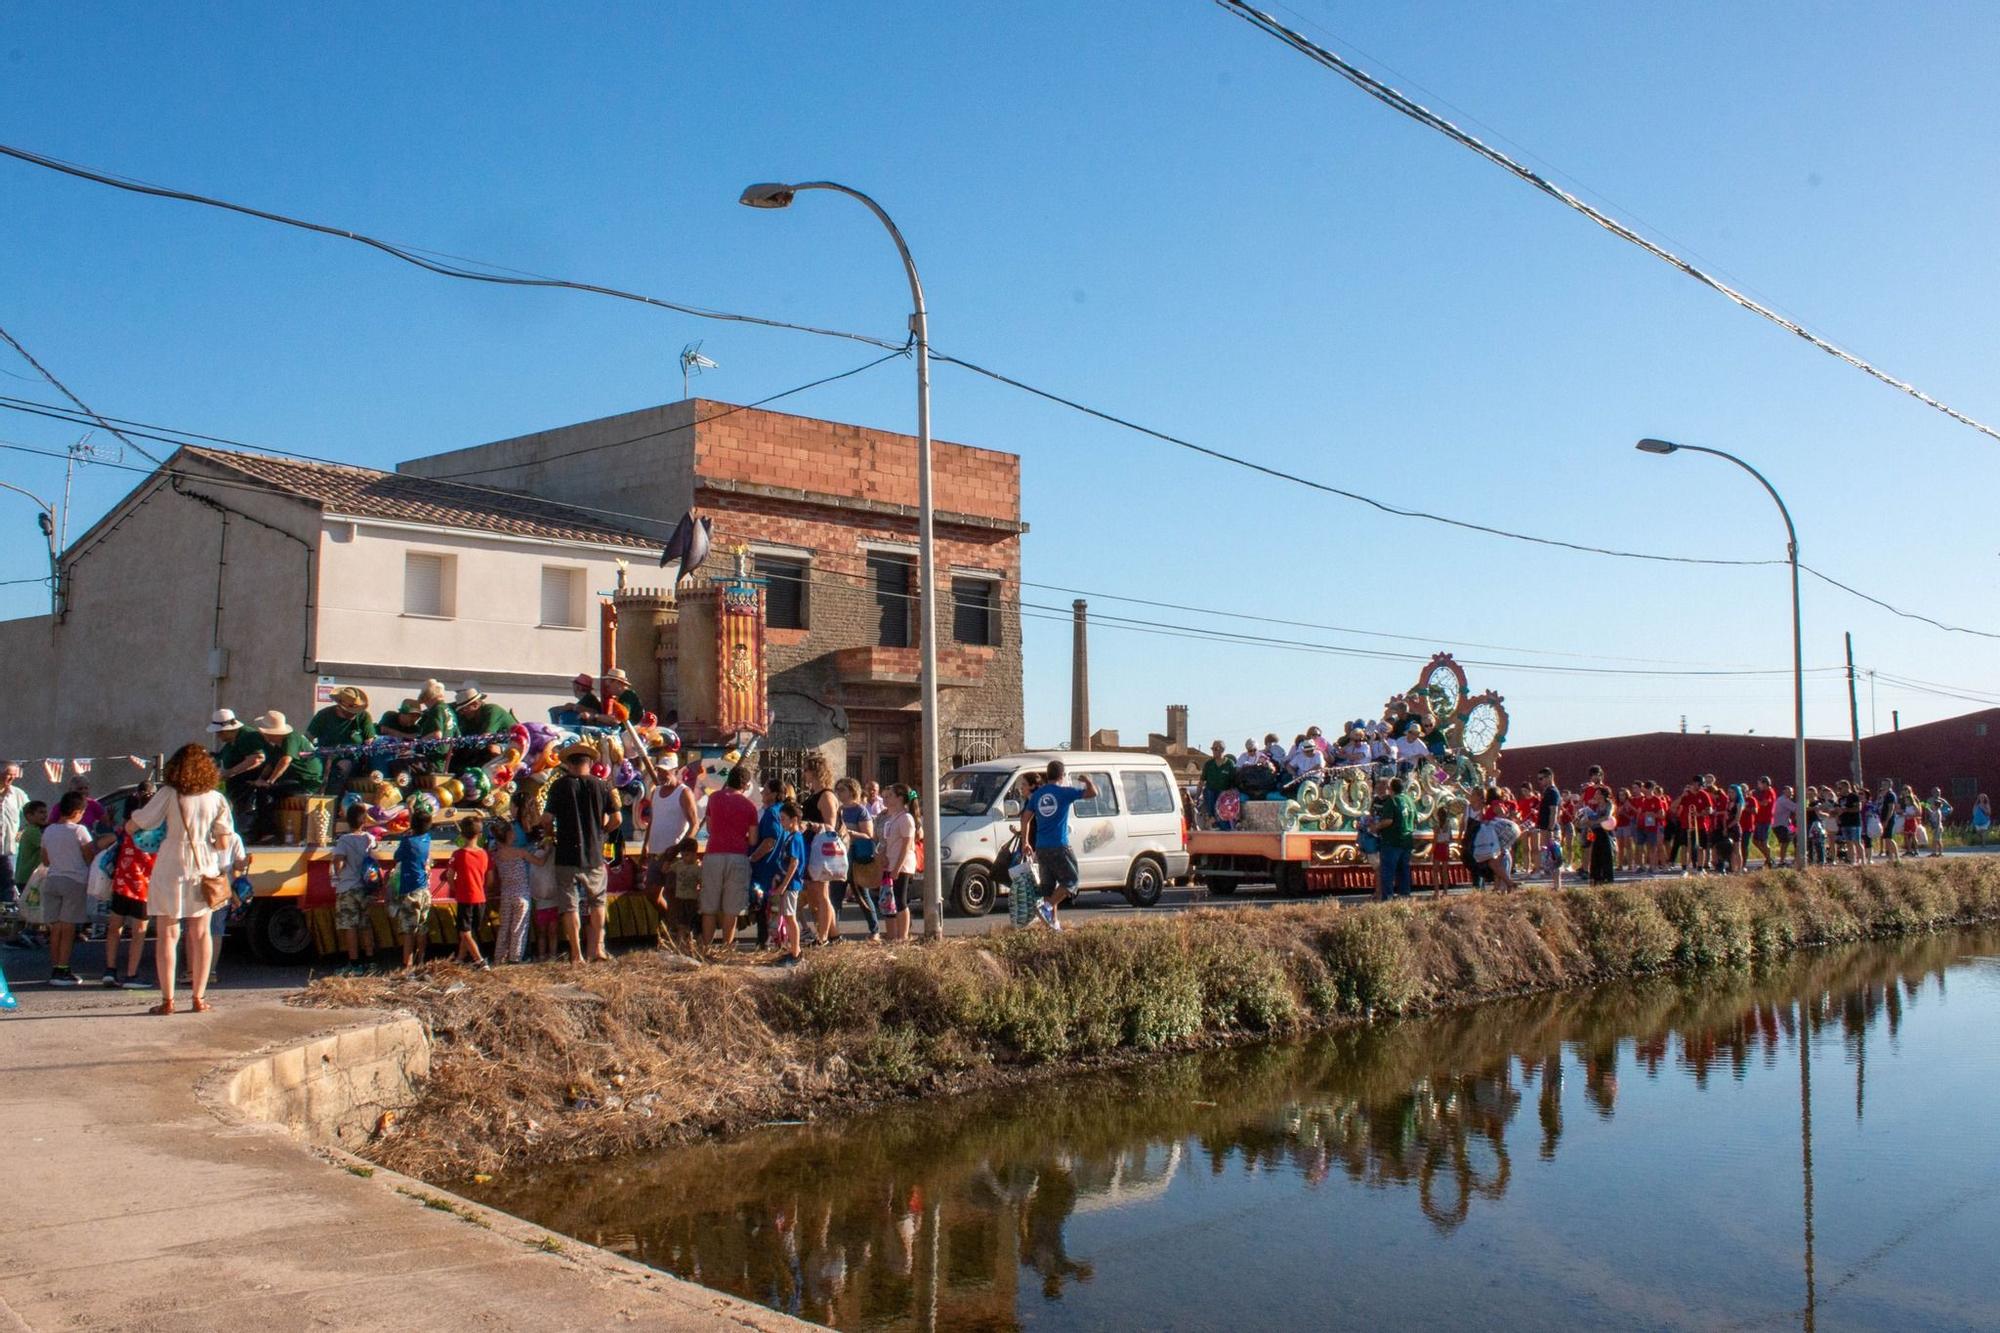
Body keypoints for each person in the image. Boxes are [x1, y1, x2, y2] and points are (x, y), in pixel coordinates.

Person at [125, 744, 235, 1013]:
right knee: (201, 933)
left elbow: (138, 823)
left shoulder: (169, 793)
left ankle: (168, 1000)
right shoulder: (216, 798)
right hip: (204, 864)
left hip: (171, 862)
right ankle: (199, 998)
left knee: (168, 934)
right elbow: (224, 842)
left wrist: (133, 826)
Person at [542, 740, 619, 964]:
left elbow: (546, 819)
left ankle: (576, 954)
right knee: (597, 902)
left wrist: (551, 835)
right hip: (594, 854)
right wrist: (602, 832)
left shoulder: (559, 786)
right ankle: (597, 949)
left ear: (569, 764)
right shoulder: (602, 786)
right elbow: (617, 819)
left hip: (566, 854)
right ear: (590, 763)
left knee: (570, 906)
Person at [39, 792, 107, 986]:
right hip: (74, 880)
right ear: (77, 812)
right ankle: (63, 968)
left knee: (55, 927)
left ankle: (55, 968)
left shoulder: (49, 830)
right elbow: (89, 856)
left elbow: (45, 860)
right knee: (68, 928)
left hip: (52, 879)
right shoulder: (79, 830)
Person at [638, 758, 701, 952]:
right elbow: (653, 820)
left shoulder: (683, 792)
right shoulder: (656, 792)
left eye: (665, 771)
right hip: (656, 852)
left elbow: (694, 824)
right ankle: (672, 924)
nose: (661, 774)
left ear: (675, 771)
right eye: (659, 771)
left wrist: (680, 848)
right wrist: (645, 845)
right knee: (651, 892)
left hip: (674, 855)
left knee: (674, 896)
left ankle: (679, 933)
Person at [103, 783, 161, 987]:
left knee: (114, 927)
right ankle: (131, 974)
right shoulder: (157, 832)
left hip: (121, 881)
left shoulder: (127, 828)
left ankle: (110, 970)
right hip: (143, 886)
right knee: (139, 932)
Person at [1027, 761, 1097, 930]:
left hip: (1041, 848)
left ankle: (1053, 925)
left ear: (1048, 775)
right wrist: (1088, 781)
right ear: (1062, 775)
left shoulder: (1038, 794)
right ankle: (1047, 907)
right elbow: (1093, 793)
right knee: (1072, 880)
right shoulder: (1065, 792)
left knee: (1048, 889)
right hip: (1059, 846)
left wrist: (1025, 842)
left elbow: (1025, 818)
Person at [699, 766, 758, 954]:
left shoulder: (714, 798)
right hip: (738, 855)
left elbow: (709, 828)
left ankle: (706, 948)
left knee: (709, 906)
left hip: (714, 853)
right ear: (745, 785)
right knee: (731, 908)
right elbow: (753, 839)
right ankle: (726, 948)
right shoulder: (749, 806)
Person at [244, 710, 322, 843]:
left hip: (305, 782)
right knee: (258, 788)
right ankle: (258, 829)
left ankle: (269, 832)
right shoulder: (278, 745)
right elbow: (271, 764)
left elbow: (286, 760)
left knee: (266, 791)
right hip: (293, 779)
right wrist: (260, 779)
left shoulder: (290, 738)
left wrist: (270, 781)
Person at [330, 803, 381, 974]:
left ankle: (354, 963)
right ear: (364, 821)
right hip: (365, 888)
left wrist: (339, 873)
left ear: (347, 820)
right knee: (365, 925)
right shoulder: (368, 838)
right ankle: (371, 961)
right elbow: (374, 850)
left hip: (348, 888)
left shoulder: (344, 840)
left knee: (350, 926)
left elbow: (338, 860)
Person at [798, 753, 841, 948]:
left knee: (822, 894)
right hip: (811, 848)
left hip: (821, 850)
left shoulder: (826, 796)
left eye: (806, 770)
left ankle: (823, 937)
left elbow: (830, 826)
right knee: (815, 894)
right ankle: (833, 935)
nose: (804, 773)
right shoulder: (814, 795)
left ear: (815, 772)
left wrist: (809, 825)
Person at [831, 777, 880, 941]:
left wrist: (850, 833)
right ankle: (834, 932)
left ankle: (874, 930)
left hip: (855, 857)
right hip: (839, 856)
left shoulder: (861, 811)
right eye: (837, 790)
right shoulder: (838, 810)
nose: (838, 793)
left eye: (842, 790)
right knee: (835, 896)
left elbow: (869, 835)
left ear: (852, 791)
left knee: (861, 894)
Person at [305, 687, 377, 792]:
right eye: (350, 711)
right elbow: (308, 738)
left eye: (356, 710)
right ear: (340, 706)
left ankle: (333, 798)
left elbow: (369, 741)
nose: (354, 713)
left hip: (352, 757)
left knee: (342, 768)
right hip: (324, 755)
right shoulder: (324, 715)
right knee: (314, 770)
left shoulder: (363, 716)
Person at [389, 807, 435, 970]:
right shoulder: (427, 838)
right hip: (424, 889)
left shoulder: (407, 842)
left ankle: (407, 964)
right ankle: (420, 960)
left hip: (410, 890)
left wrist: (406, 836)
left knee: (409, 929)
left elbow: (397, 857)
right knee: (421, 927)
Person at [749, 777, 790, 950]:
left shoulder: (772, 812)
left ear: (773, 794)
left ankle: (764, 942)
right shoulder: (782, 811)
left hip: (767, 867)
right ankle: (774, 941)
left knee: (764, 905)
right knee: (773, 907)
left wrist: (753, 858)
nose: (762, 794)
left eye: (765, 790)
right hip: (777, 866)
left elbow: (770, 841)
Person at [766, 801, 808, 966]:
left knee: (790, 917)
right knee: (787, 916)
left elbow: (794, 863)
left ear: (794, 819)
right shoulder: (789, 836)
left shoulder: (795, 837)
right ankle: (792, 949)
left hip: (791, 885)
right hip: (786, 883)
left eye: (783, 818)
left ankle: (796, 952)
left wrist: (784, 884)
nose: (781, 822)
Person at [446, 817, 489, 969]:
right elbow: (489, 877)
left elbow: (450, 875)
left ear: (462, 834)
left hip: (465, 897)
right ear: (480, 834)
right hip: (480, 897)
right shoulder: (484, 854)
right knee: (470, 931)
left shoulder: (458, 854)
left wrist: (455, 888)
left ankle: (480, 960)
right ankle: (460, 957)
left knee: (464, 932)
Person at [876, 786, 918, 942]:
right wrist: (881, 854)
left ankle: (903, 936)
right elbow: (887, 842)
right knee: (890, 901)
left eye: (890, 795)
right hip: (890, 863)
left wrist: (897, 868)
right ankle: (893, 935)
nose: (887, 799)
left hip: (902, 865)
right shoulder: (893, 818)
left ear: (900, 798)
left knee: (900, 900)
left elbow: (907, 845)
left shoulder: (906, 818)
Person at [450, 684, 518, 773]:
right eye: (460, 711)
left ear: (475, 705)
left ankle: (501, 772)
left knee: (491, 748)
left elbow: (486, 737)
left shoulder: (491, 710)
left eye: (464, 709)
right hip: (498, 744)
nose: (462, 713)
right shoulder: (471, 719)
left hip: (515, 744)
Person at [1371, 776, 1417, 899]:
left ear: (1391, 788)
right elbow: (1415, 820)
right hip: (1407, 840)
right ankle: (1404, 896)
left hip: (1391, 841)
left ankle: (1388, 897)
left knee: (1388, 871)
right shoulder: (1409, 800)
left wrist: (1376, 827)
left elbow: (1388, 820)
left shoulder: (1392, 801)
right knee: (1404, 871)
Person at [0, 763, 25, 909]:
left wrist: (23, 831)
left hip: (9, 849)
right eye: (9, 774)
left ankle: (7, 915)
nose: (12, 778)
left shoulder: (17, 795)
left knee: (9, 885)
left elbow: (31, 813)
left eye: (14, 775)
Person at [1200, 742, 1235, 826]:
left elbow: (1234, 781)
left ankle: (1217, 821)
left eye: (1216, 749)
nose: (1213, 751)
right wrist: (1196, 797)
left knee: (1220, 798)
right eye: (1212, 749)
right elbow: (1201, 781)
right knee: (1208, 791)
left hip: (1224, 792)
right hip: (1211, 792)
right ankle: (1212, 816)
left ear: (1222, 750)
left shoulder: (1229, 764)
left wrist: (1231, 791)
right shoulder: (1209, 764)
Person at [1924, 787, 1952, 858]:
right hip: (1933, 820)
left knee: (1937, 840)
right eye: (1936, 792)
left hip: (1938, 825)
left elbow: (1950, 808)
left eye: (1939, 792)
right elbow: (1927, 808)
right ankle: (1936, 852)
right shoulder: (1929, 800)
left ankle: (1938, 852)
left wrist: (1945, 813)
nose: (1938, 794)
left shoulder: (1942, 801)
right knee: (1936, 839)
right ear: (1933, 792)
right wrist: (1928, 811)